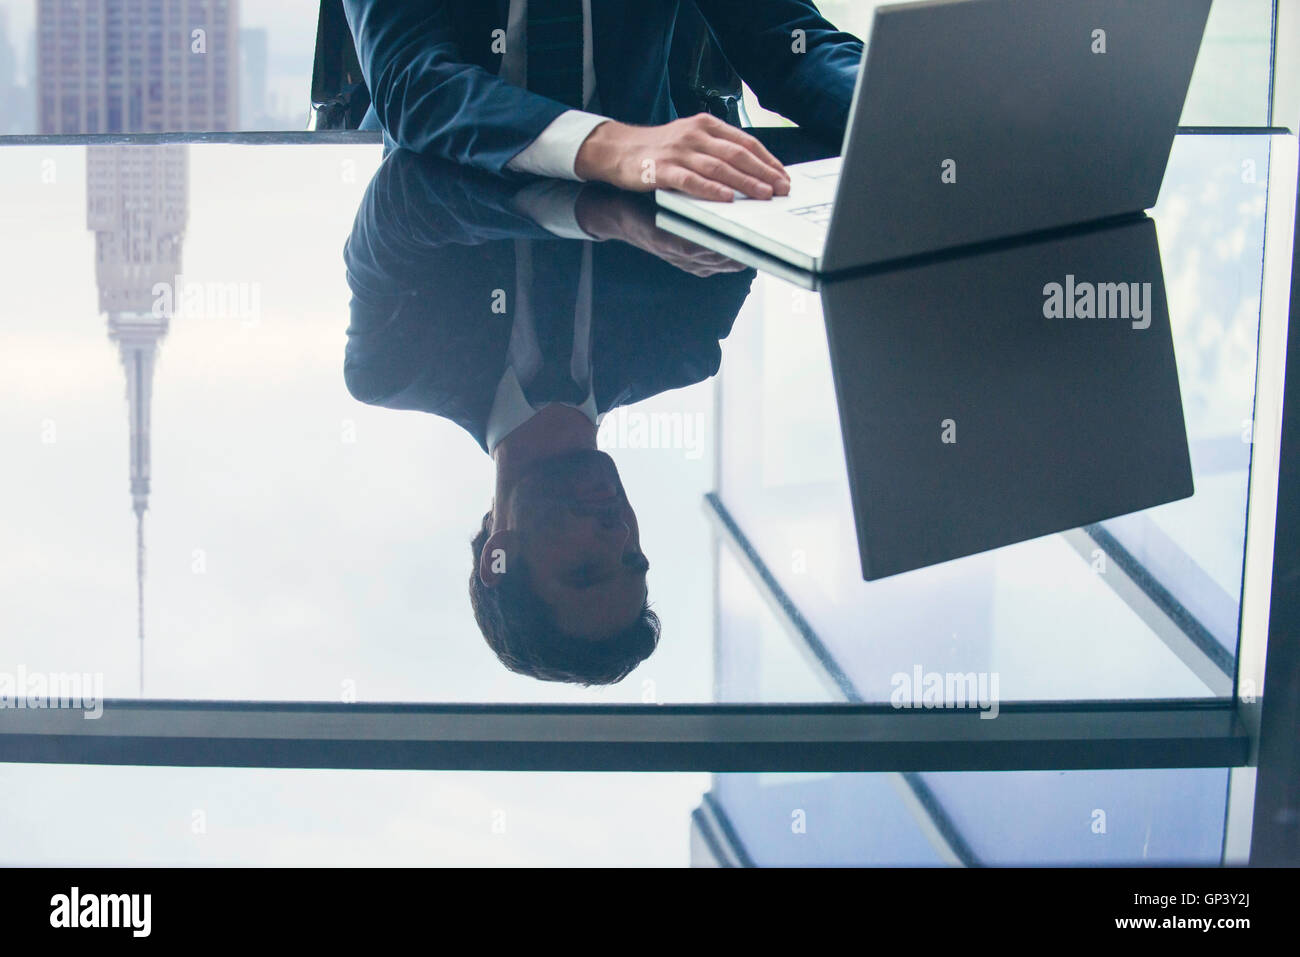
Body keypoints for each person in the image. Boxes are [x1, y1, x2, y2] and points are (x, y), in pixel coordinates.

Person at [343, 151, 755, 683]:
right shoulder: (681, 347)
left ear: (500, 558)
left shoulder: (394, 370)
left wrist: (593, 211)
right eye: (633, 559)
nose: (617, 533)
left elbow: (403, 193)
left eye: (585, 570)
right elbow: (752, 185)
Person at [341, 0, 862, 199]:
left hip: (634, 206)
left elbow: (790, 44)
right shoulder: (396, 367)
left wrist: (901, 108)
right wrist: (612, 147)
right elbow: (413, 81)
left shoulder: (678, 346)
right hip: (439, 190)